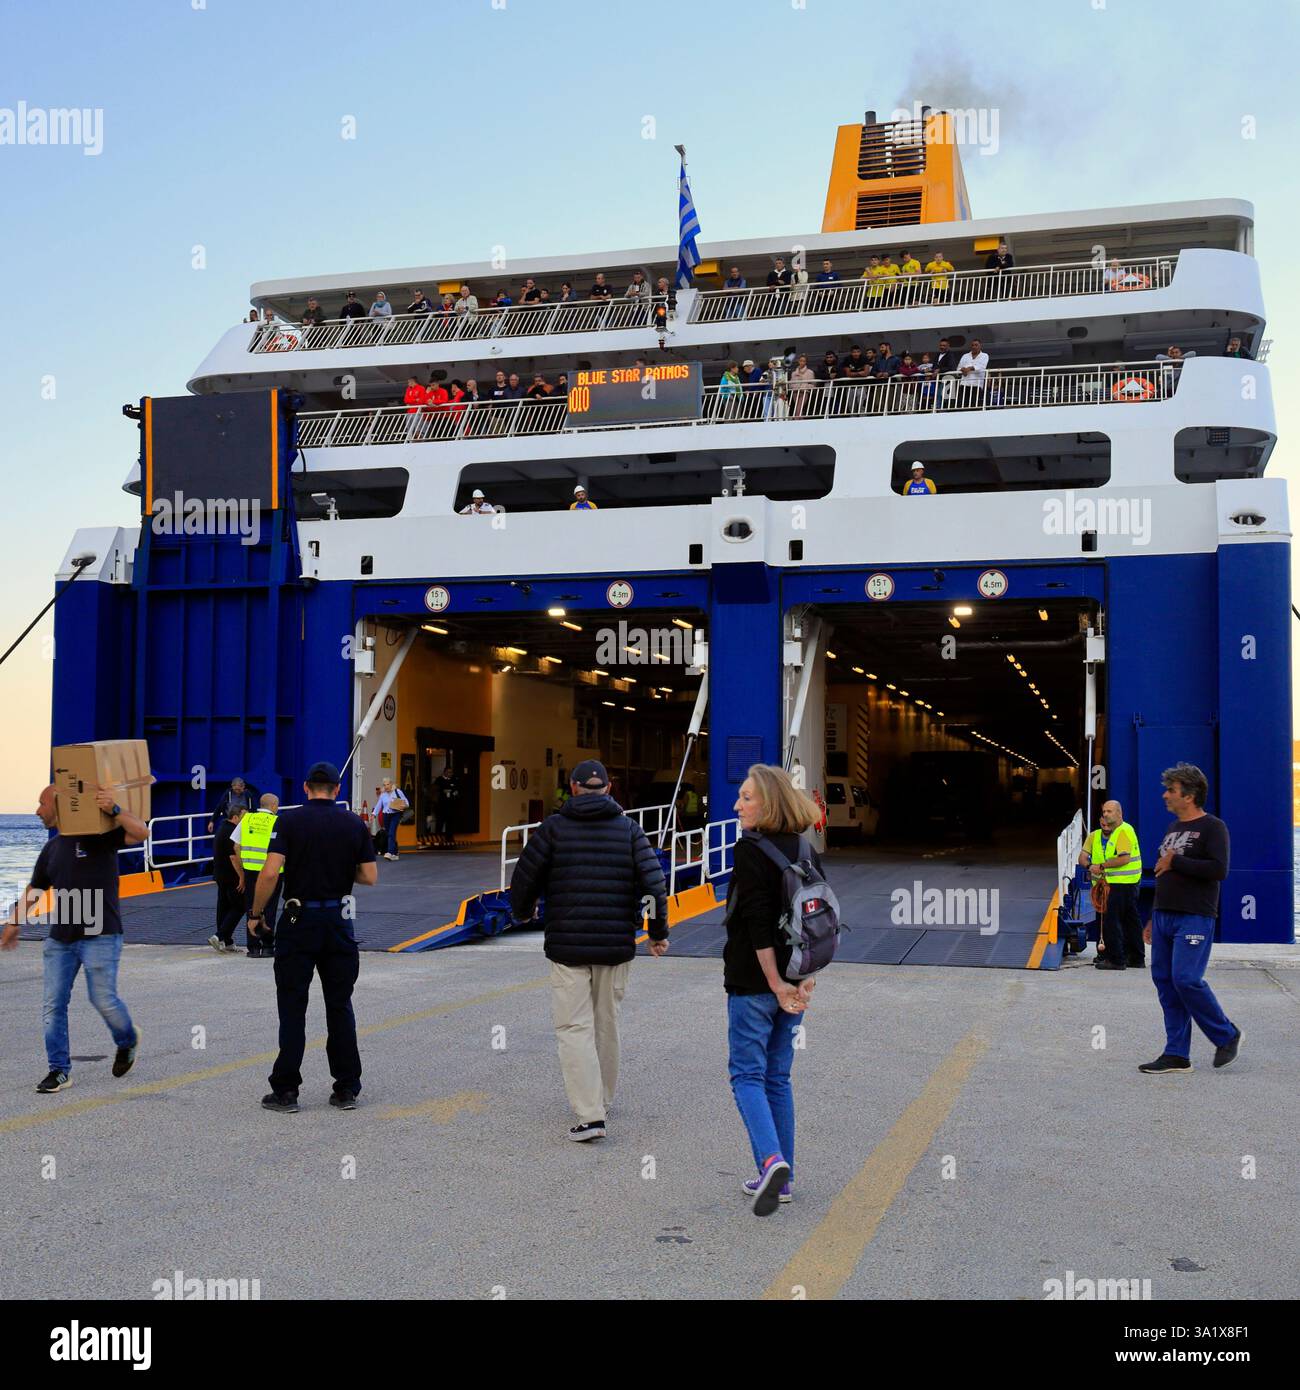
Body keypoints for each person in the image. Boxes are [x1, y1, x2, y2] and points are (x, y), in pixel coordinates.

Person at [508, 759, 669, 1141]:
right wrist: (657, 931)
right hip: (615, 946)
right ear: (609, 788)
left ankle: (590, 1113)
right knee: (606, 1023)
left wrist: (522, 910)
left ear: (573, 788)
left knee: (573, 1027)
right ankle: (603, 1099)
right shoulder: (630, 831)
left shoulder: (553, 830)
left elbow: (524, 879)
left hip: (568, 946)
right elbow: (653, 885)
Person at [2, 784, 148, 1094]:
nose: (37, 811)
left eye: (41, 804)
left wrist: (115, 810)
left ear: (60, 806)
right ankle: (59, 1071)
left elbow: (141, 833)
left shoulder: (100, 836)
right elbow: (36, 889)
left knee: (103, 999)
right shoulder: (52, 849)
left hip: (101, 935)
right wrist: (15, 922)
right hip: (61, 940)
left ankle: (127, 1040)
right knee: (53, 1005)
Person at [252, 761, 377, 1113]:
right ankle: (346, 1088)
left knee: (293, 1005)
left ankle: (286, 1091)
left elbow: (270, 872)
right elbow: (369, 876)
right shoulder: (354, 824)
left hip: (298, 919)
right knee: (339, 1004)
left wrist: (256, 914)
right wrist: (340, 868)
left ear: (306, 788)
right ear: (337, 790)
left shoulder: (289, 821)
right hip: (338, 920)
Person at [725, 764, 822, 1214]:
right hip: (798, 977)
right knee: (778, 1076)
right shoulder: (805, 846)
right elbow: (818, 921)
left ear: (768, 802)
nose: (737, 804)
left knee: (747, 1075)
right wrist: (803, 979)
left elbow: (757, 924)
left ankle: (771, 1161)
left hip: (754, 981)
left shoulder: (749, 850)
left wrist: (777, 984)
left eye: (746, 797)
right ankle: (783, 1180)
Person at [1139, 764, 1242, 1075]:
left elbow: (1218, 870)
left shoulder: (1213, 828)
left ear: (1190, 794)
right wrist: (1151, 918)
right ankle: (1176, 1054)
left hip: (1194, 915)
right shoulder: (1172, 829)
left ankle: (1226, 1034)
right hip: (1163, 915)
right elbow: (1163, 873)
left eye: (1172, 790)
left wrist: (1176, 860)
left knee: (1186, 979)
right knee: (1166, 983)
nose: (1165, 795)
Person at [1079, 800, 1144, 970]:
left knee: (1111, 921)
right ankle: (1136, 958)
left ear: (1119, 813)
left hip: (1119, 883)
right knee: (1131, 920)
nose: (1106, 814)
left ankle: (1116, 959)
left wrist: (1101, 867)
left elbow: (1124, 858)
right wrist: (1090, 867)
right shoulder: (1108, 833)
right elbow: (1084, 857)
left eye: (1109, 811)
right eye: (1104, 811)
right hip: (1122, 883)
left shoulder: (1122, 831)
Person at [233, 793, 282, 956]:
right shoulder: (277, 822)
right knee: (270, 908)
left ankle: (253, 948)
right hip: (272, 872)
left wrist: (243, 867)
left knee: (252, 908)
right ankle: (268, 947)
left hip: (250, 871)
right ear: (274, 806)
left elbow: (236, 846)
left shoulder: (246, 819)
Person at [208, 803, 248, 952]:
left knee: (223, 906)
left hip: (220, 874)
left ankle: (227, 941)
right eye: (244, 816)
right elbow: (233, 857)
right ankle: (219, 936)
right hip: (231, 875)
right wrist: (242, 877)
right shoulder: (233, 832)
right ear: (236, 817)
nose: (246, 819)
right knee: (240, 906)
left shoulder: (222, 828)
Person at [374, 778, 409, 861]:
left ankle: (390, 852)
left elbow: (406, 802)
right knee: (389, 833)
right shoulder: (383, 794)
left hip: (395, 814)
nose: (386, 786)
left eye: (387, 784)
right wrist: (373, 814)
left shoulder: (397, 792)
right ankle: (395, 852)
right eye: (384, 785)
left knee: (391, 832)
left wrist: (403, 806)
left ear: (391, 784)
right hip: (386, 815)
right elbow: (379, 805)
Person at [433, 764, 459, 847]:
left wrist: (455, 793)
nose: (450, 774)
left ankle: (449, 837)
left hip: (450, 805)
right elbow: (435, 790)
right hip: (441, 805)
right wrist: (442, 792)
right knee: (440, 821)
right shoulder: (439, 780)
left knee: (450, 822)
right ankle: (438, 837)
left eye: (451, 772)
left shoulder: (454, 780)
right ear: (444, 772)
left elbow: (457, 790)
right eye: (448, 772)